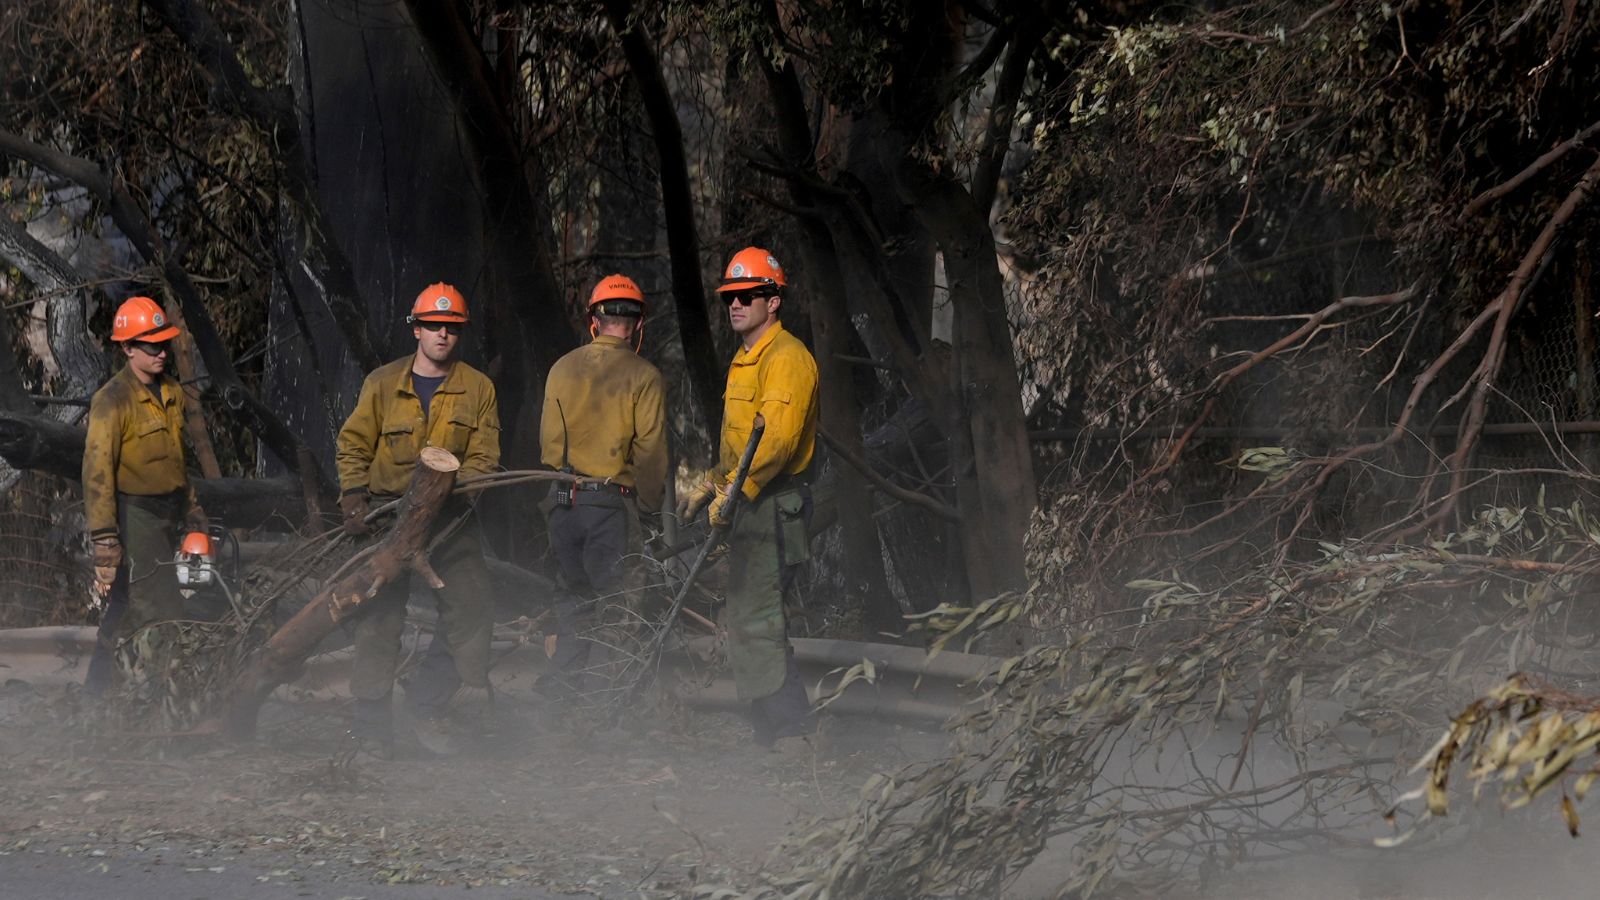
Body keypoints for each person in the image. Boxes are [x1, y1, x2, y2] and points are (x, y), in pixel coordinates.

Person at [334, 282, 500, 756]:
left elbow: (485, 457)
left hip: (450, 518)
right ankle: (370, 730)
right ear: (416, 329)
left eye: (451, 328)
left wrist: (454, 497)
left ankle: (431, 702)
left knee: (472, 606)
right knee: (378, 617)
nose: (442, 335)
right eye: (433, 326)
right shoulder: (382, 384)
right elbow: (353, 443)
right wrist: (353, 496)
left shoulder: (478, 389)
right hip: (388, 518)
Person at [681, 248, 818, 746]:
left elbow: (775, 444)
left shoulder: (788, 359)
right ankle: (770, 729)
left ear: (773, 301)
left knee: (760, 615)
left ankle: (791, 730)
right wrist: (711, 485)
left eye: (747, 296)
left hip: (776, 506)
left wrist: (736, 493)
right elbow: (739, 445)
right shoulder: (745, 359)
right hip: (750, 502)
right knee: (747, 612)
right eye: (729, 298)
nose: (735, 304)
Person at [538, 274, 668, 693]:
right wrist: (648, 511)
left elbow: (549, 448)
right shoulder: (643, 376)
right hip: (610, 509)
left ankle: (561, 700)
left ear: (595, 319)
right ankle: (606, 707)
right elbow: (649, 454)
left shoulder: (561, 368)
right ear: (635, 324)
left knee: (574, 602)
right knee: (619, 610)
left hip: (562, 505)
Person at [82, 296, 208, 694]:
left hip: (170, 511)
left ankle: (100, 692)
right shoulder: (112, 400)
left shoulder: (170, 390)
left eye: (164, 342)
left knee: (127, 605)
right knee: (157, 607)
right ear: (127, 347)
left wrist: (192, 508)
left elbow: (176, 458)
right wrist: (104, 539)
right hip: (135, 514)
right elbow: (97, 473)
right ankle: (148, 697)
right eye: (151, 344)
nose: (161, 351)